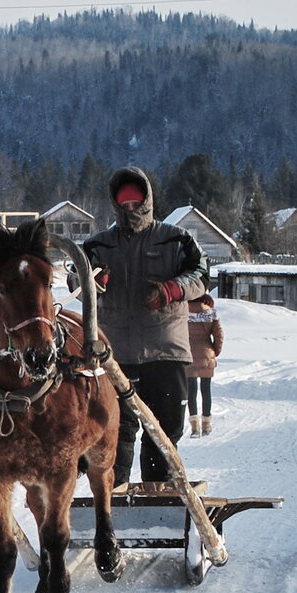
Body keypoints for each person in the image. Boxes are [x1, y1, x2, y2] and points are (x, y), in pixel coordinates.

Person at [78, 166, 209, 485]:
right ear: (115, 204)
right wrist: (93, 280)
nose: (131, 208)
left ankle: (157, 500)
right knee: (112, 435)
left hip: (165, 353)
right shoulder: (97, 246)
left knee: (162, 434)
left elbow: (203, 277)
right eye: (125, 203)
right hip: (113, 356)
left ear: (148, 199)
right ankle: (111, 502)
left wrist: (172, 290)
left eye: (136, 201)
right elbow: (75, 279)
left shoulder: (177, 239)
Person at [186, 293, 224, 437]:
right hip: (207, 354)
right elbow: (219, 335)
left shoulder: (183, 310)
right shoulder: (211, 312)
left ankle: (195, 428)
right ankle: (207, 425)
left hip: (188, 353)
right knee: (206, 389)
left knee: (191, 391)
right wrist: (215, 351)